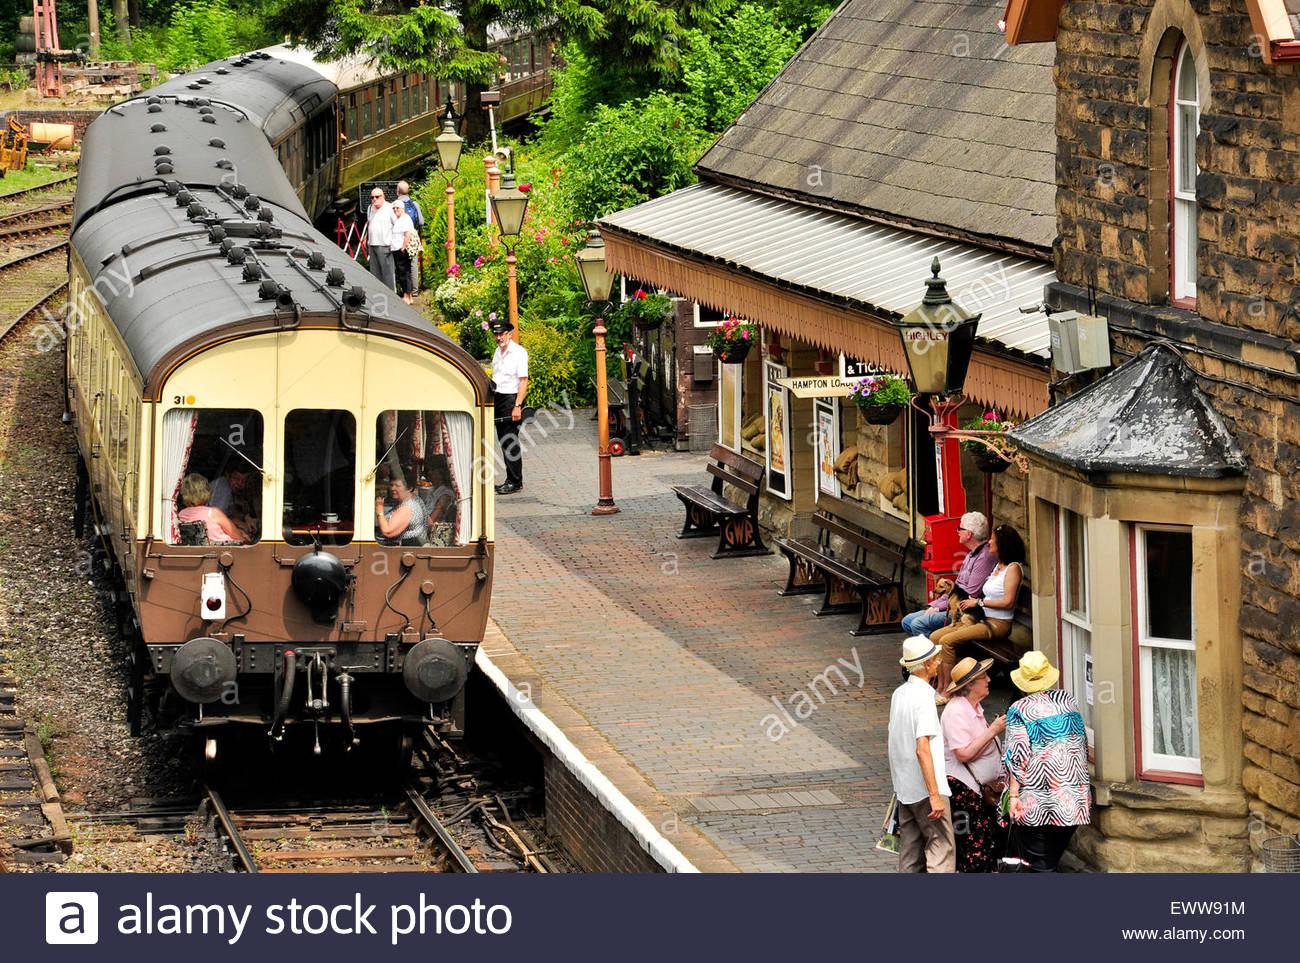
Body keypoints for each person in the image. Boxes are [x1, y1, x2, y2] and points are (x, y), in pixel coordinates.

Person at [1004, 650, 1091, 871]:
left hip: (1038, 804)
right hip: (1073, 802)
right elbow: (1081, 743)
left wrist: (1013, 795)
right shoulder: (1066, 700)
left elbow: (1018, 757)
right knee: (1049, 862)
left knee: (1039, 867)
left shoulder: (1019, 710)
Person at [929, 523, 1026, 694]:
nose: (989, 542)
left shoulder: (1013, 569)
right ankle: (940, 687)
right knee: (935, 636)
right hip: (980, 617)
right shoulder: (998, 565)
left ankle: (949, 691)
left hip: (997, 624)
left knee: (947, 641)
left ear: (1002, 544)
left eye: (993, 540)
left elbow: (1008, 602)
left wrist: (979, 603)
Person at [887, 635, 956, 873]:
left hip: (905, 788)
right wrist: (934, 794)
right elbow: (922, 747)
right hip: (925, 788)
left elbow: (896, 742)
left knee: (910, 853)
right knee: (942, 849)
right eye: (935, 659)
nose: (938, 663)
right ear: (927, 664)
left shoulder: (900, 694)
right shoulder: (925, 696)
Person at [941, 657, 1007, 872]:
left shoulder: (973, 707)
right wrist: (993, 731)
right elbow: (963, 753)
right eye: (983, 677)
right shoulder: (956, 711)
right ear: (970, 685)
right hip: (965, 793)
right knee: (974, 851)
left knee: (988, 847)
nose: (989, 679)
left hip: (980, 793)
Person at [902, 512, 996, 637]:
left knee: (917, 624)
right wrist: (936, 605)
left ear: (969, 534)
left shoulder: (984, 558)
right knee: (907, 621)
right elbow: (954, 587)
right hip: (951, 603)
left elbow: (968, 595)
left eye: (960, 528)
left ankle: (939, 652)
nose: (957, 531)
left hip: (964, 611)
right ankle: (936, 648)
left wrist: (938, 608)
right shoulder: (972, 553)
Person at [490, 317, 529, 494]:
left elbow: (523, 381)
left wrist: (517, 405)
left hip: (511, 399)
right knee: (503, 441)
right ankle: (510, 478)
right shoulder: (498, 352)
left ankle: (515, 481)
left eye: (501, 334)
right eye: (496, 334)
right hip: (499, 398)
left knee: (510, 441)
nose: (498, 338)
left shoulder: (519, 353)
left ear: (509, 334)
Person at [177, 473, 246, 543]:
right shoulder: (213, 513)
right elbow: (239, 537)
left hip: (197, 552)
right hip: (224, 552)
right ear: (207, 491)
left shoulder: (181, 515)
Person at [375, 475, 428, 546]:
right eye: (391, 485)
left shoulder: (408, 507)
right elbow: (429, 522)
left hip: (397, 551)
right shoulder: (414, 499)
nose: (393, 488)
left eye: (397, 486)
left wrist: (380, 511)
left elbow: (388, 532)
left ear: (409, 488)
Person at [365, 187, 396, 289]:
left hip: (385, 244)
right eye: (372, 197)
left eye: (377, 197)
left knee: (387, 274)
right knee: (375, 273)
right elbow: (369, 224)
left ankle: (391, 294)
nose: (374, 199)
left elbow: (396, 225)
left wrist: (394, 243)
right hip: (372, 244)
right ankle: (377, 293)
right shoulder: (370, 208)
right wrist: (366, 238)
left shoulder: (390, 208)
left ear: (383, 197)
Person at [390, 199, 416, 304]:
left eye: (397, 208)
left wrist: (403, 247)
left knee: (403, 273)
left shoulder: (405, 219)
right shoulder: (398, 219)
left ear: (403, 208)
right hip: (397, 248)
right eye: (394, 208)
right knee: (404, 272)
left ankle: (407, 295)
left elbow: (407, 234)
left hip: (401, 249)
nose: (395, 210)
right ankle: (408, 295)